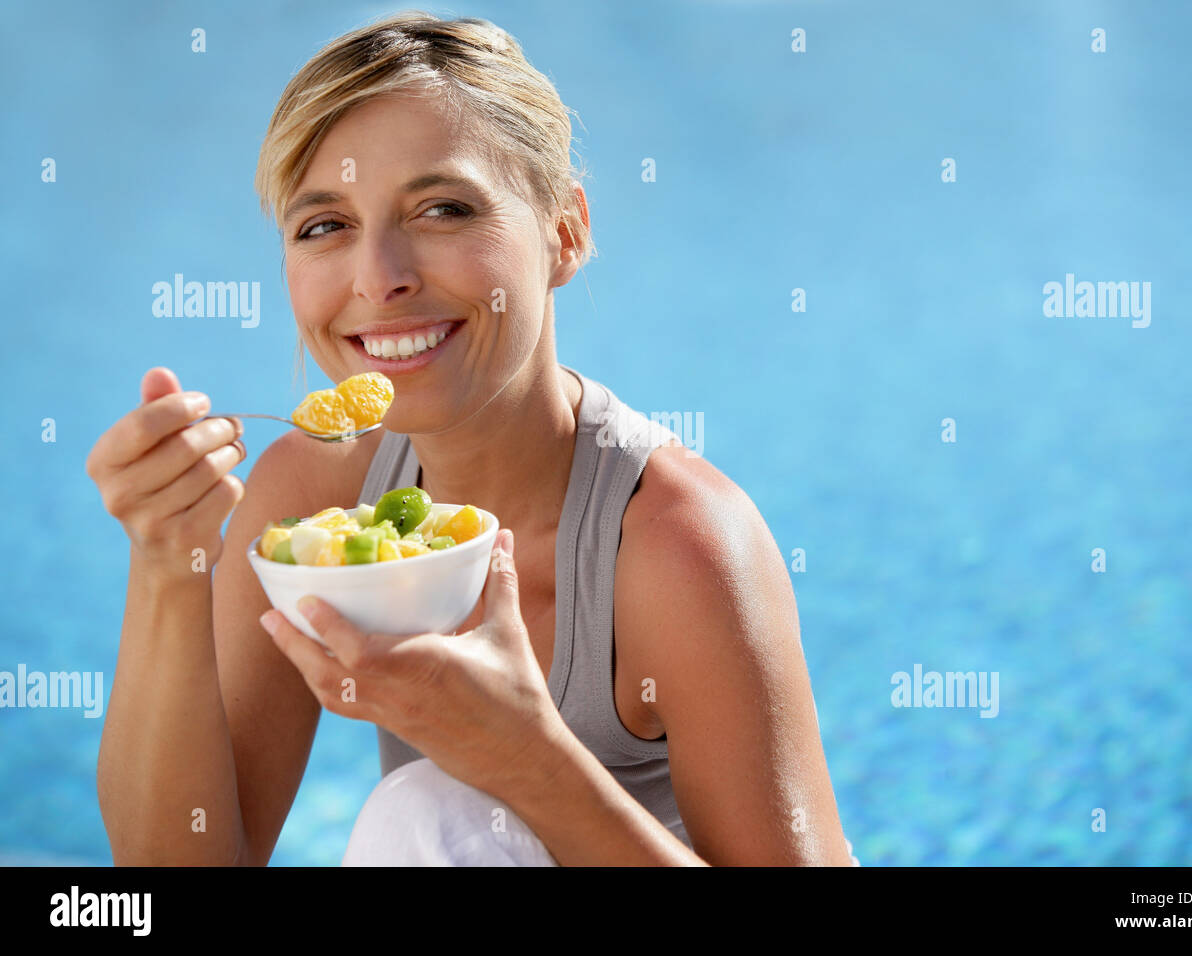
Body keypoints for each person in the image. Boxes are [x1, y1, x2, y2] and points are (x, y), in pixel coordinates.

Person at [88, 12, 854, 866]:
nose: (381, 278)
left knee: (421, 815)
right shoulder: (316, 495)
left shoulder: (678, 549)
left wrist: (523, 755)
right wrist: (164, 564)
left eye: (444, 208)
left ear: (565, 232)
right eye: (324, 225)